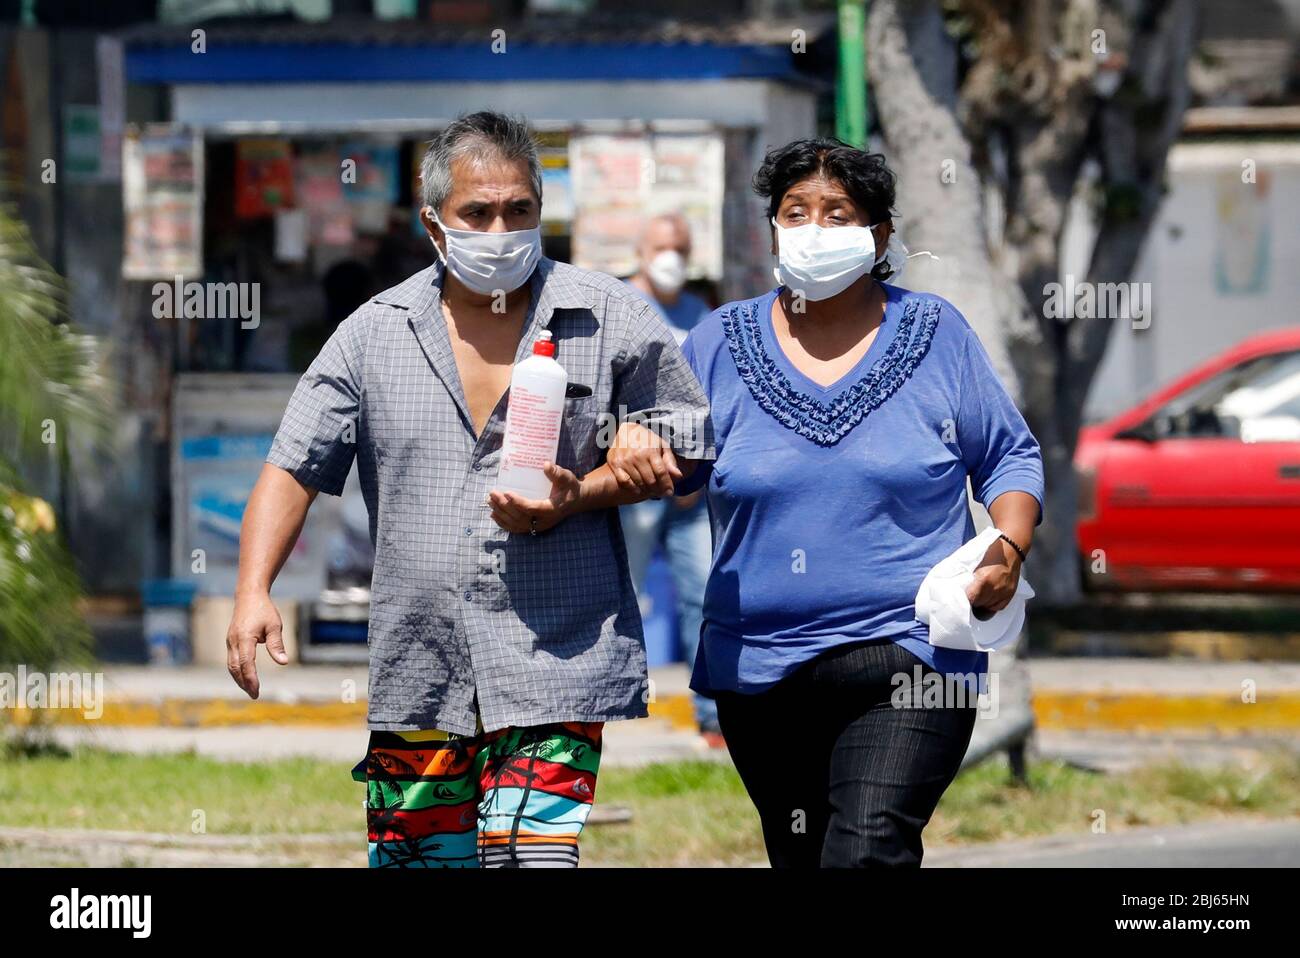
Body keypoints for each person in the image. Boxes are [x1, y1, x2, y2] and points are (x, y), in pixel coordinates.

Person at [226, 111, 713, 868]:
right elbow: (294, 464)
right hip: (421, 669)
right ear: (433, 223)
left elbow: (688, 445)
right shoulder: (373, 333)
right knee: (423, 863)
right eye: (477, 214)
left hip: (558, 658)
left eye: (518, 211)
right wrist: (253, 590)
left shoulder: (606, 314)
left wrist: (619, 466)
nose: (500, 229)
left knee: (533, 859)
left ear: (541, 211)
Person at [674, 138, 1044, 867]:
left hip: (909, 652)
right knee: (803, 854)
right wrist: (618, 455)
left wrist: (1008, 549)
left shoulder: (936, 334)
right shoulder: (716, 343)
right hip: (759, 665)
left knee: (868, 847)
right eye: (796, 212)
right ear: (772, 228)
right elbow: (669, 467)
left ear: (878, 236)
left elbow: (1008, 455)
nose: (813, 229)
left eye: (837, 213)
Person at [622, 213, 720, 742]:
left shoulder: (698, 312)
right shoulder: (615, 302)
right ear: (639, 250)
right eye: (662, 246)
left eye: (681, 247)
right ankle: (597, 714)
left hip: (687, 488)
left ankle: (712, 717)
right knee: (617, 596)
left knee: (705, 596)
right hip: (627, 486)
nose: (671, 257)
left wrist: (694, 471)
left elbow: (707, 396)